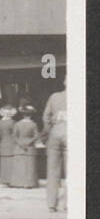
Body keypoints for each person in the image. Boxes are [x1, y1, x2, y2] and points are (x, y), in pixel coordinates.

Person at [43, 83, 67, 211]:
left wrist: (49, 132)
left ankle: (51, 204)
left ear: (64, 82)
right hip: (72, 133)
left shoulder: (54, 96)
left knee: (52, 170)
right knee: (72, 171)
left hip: (55, 132)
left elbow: (46, 117)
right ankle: (68, 203)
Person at [8, 107, 40, 189]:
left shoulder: (17, 124)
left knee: (19, 166)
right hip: (30, 148)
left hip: (19, 148)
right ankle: (29, 183)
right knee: (29, 166)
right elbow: (36, 136)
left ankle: (18, 183)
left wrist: (20, 143)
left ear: (23, 115)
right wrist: (29, 142)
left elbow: (14, 136)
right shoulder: (33, 124)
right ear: (31, 115)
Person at [0, 104, 18, 186]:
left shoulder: (0, 123)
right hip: (11, 143)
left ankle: (5, 180)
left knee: (4, 163)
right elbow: (15, 134)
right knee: (11, 162)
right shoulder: (13, 123)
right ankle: (12, 180)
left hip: (3, 143)